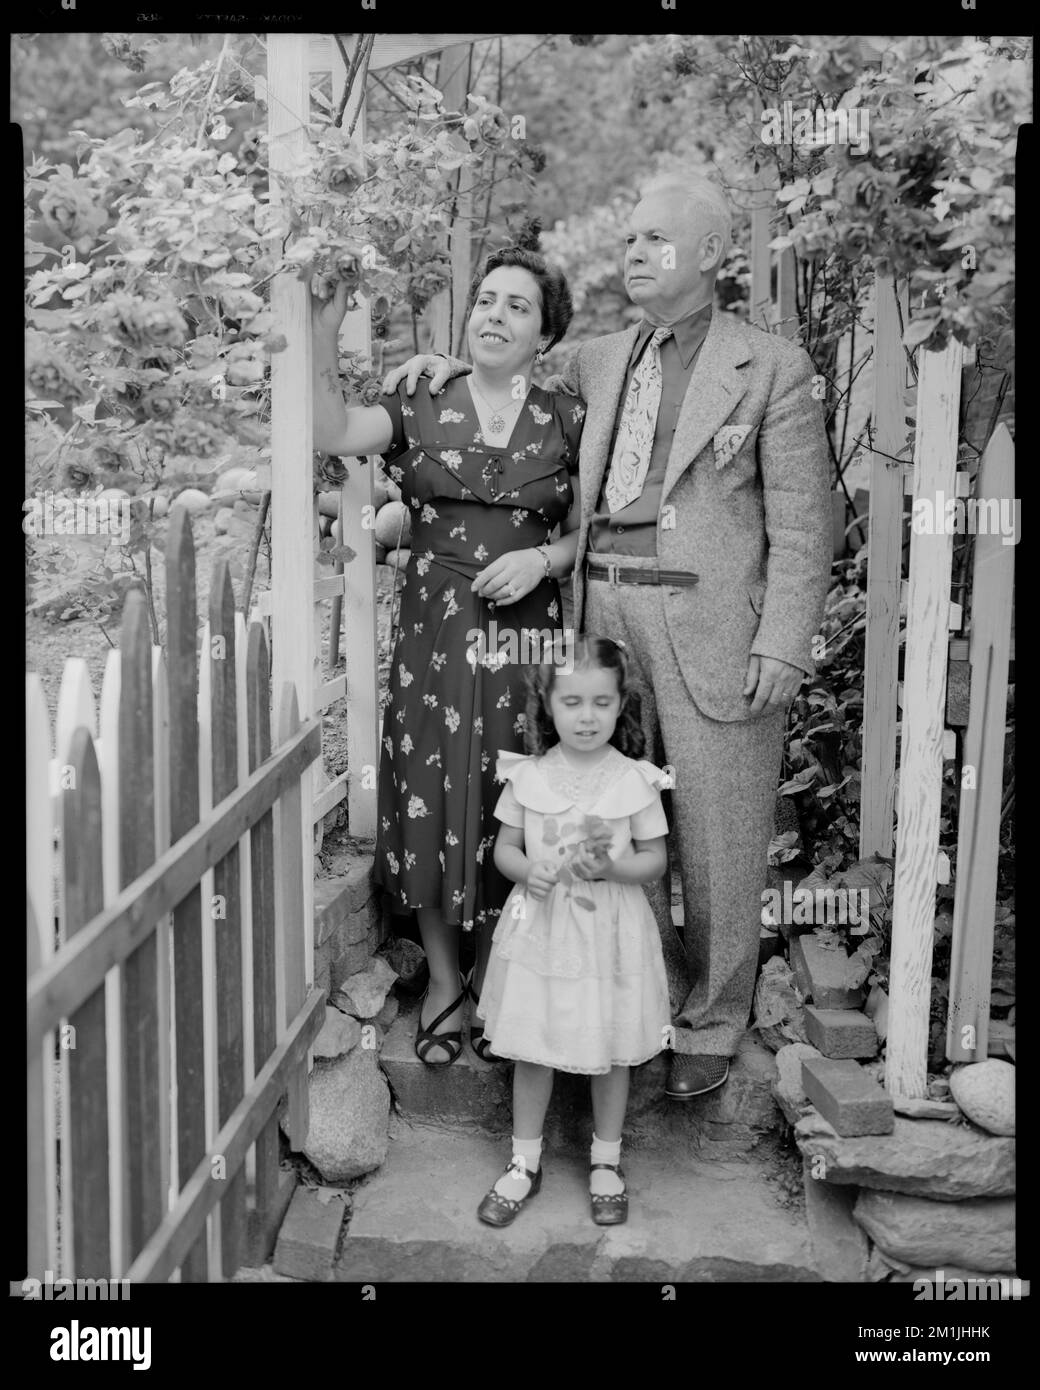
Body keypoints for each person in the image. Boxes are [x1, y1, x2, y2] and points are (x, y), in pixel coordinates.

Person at [383, 175, 833, 1100]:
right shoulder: (597, 359)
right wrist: (434, 363)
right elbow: (501, 367)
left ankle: (713, 1016)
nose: (634, 253)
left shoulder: (772, 367)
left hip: (713, 625)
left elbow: (805, 523)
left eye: (655, 240)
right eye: (627, 238)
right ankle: (644, 994)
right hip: (595, 619)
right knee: (608, 810)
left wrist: (784, 641)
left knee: (716, 826)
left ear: (710, 254)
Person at [311, 247, 586, 1067]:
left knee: (516, 794)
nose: (496, 315)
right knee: (432, 787)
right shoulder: (422, 395)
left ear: (546, 334)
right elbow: (333, 429)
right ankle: (443, 983)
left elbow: (596, 528)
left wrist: (544, 560)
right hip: (435, 632)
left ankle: (505, 981)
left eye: (519, 306)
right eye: (488, 301)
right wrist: (324, 327)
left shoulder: (570, 417)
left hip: (525, 637)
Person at [475, 636, 671, 1228]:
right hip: (543, 930)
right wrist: (527, 870)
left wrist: (613, 868)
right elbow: (504, 850)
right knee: (533, 1044)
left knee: (611, 1048)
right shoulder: (527, 776)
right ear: (548, 705)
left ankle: (606, 1161)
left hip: (612, 933)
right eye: (573, 703)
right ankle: (524, 1160)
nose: (588, 717)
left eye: (602, 703)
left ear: (620, 705)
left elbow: (654, 861)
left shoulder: (634, 780)